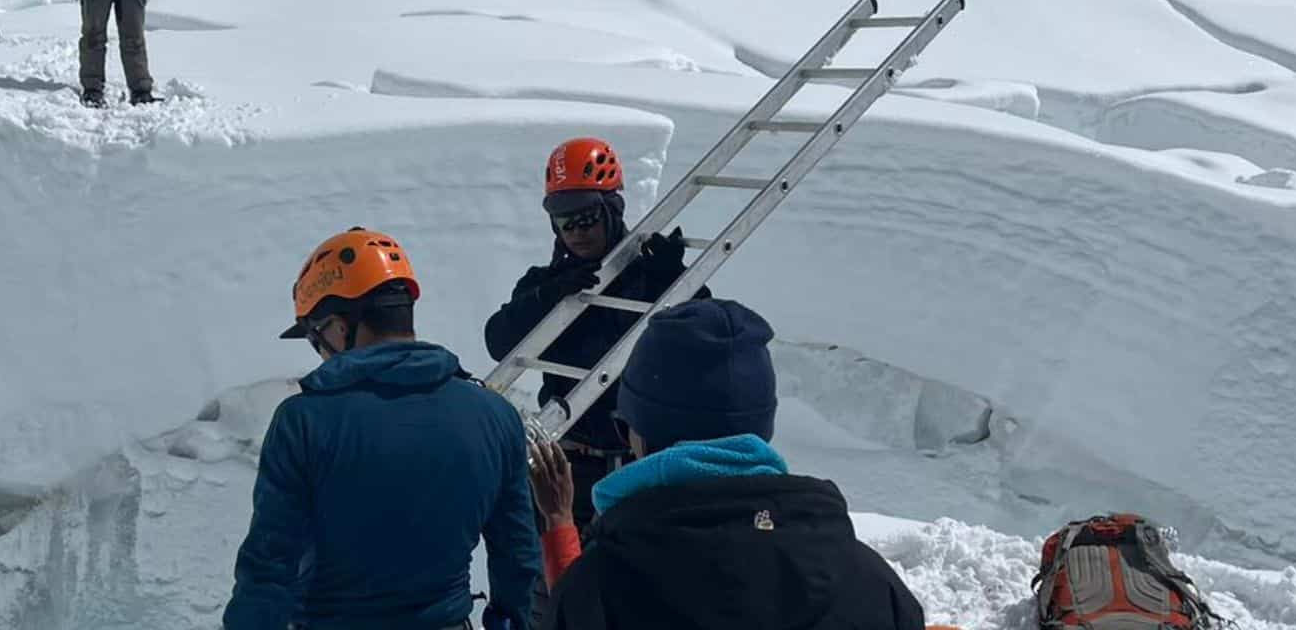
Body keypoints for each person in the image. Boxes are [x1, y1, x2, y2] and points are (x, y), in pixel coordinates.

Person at [531, 298, 926, 630]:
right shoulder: (871, 584)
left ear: (640, 437)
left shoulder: (600, 588)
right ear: (760, 429)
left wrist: (559, 527)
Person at [222, 227, 541, 630]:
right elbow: (517, 554)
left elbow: (269, 569)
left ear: (339, 327)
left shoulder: (304, 422)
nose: (319, 353)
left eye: (315, 337)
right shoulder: (494, 416)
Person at [483, 136, 709, 531]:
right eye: (563, 220)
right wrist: (550, 296)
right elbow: (497, 341)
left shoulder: (646, 276)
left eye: (585, 217)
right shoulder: (546, 285)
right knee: (561, 586)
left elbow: (711, 336)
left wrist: (678, 280)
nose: (575, 231)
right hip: (569, 473)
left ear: (611, 210)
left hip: (644, 469)